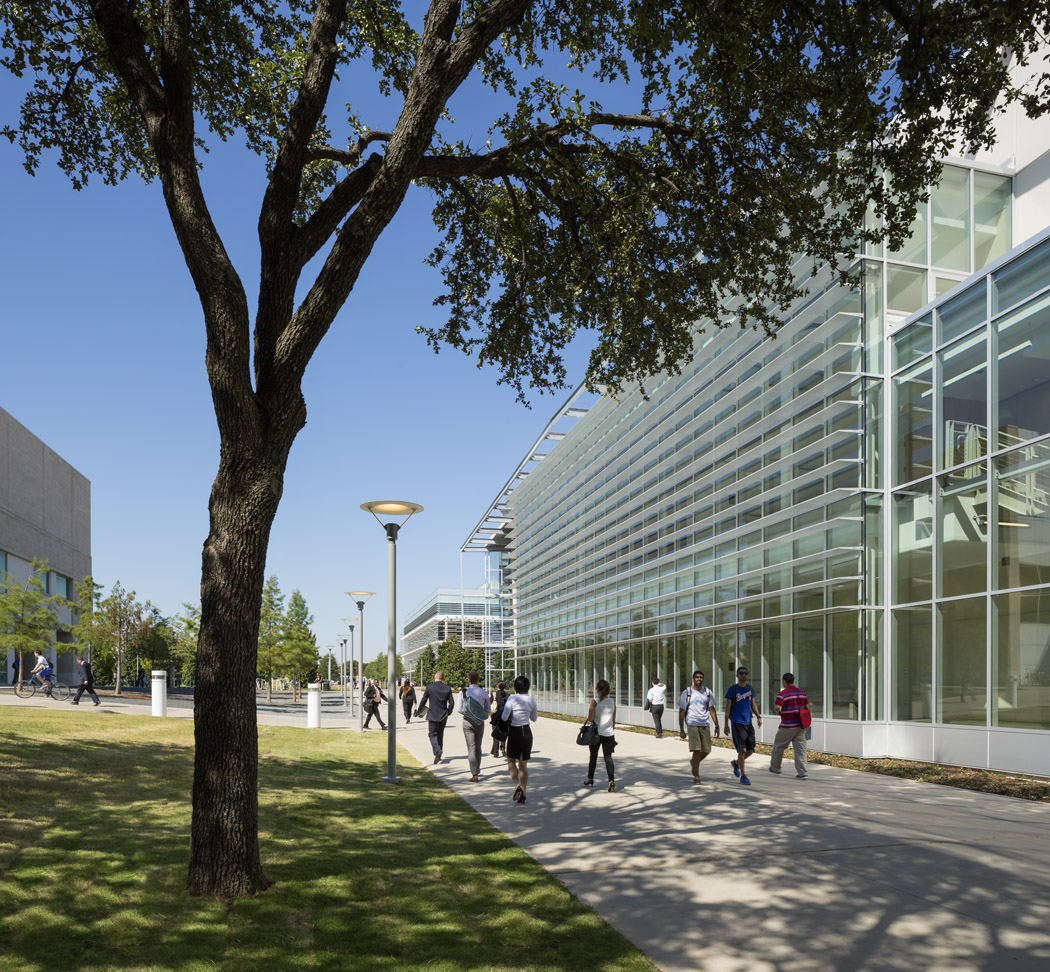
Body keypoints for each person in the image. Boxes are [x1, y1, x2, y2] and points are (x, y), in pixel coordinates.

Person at [678, 670, 721, 784]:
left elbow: (712, 709)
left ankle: (694, 762)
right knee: (697, 750)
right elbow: (681, 712)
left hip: (704, 724)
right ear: (693, 679)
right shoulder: (686, 693)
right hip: (692, 724)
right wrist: (682, 730)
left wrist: (717, 725)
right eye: (697, 677)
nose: (699, 679)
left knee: (707, 750)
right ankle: (696, 775)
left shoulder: (707, 692)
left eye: (701, 677)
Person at [501, 674, 538, 803]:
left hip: (514, 732)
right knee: (523, 764)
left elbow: (504, 717)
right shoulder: (531, 700)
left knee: (511, 761)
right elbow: (534, 718)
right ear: (527, 687)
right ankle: (524, 790)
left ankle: (516, 785)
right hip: (526, 732)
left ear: (515, 687)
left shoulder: (511, 699)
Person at [723, 666, 762, 785]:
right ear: (737, 675)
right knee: (742, 750)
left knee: (750, 751)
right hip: (737, 722)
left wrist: (758, 716)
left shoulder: (750, 689)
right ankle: (743, 776)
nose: (743, 675)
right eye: (741, 673)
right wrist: (726, 725)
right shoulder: (732, 690)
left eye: (745, 673)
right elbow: (727, 708)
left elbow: (753, 705)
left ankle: (736, 763)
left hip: (748, 722)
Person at [769, 672, 810, 779]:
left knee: (779, 746)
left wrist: (780, 714)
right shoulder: (802, 693)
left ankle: (775, 768)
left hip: (787, 725)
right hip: (800, 726)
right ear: (793, 681)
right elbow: (806, 707)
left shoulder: (782, 694)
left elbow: (777, 707)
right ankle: (802, 773)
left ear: (784, 681)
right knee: (801, 749)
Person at [583, 679, 616, 791]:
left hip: (596, 734)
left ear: (597, 689)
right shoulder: (612, 702)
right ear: (608, 690)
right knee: (608, 757)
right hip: (609, 733)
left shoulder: (594, 702)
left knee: (593, 757)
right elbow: (613, 719)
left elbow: (590, 718)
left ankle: (590, 778)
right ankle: (611, 781)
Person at [458, 671, 491, 782]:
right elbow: (488, 710)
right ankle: (477, 767)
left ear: (468, 679)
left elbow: (459, 709)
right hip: (480, 722)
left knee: (471, 747)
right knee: (478, 746)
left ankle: (474, 774)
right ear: (478, 680)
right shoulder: (483, 693)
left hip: (467, 722)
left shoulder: (463, 692)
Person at [417, 670, 454, 763]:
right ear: (443, 678)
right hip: (443, 715)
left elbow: (423, 700)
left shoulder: (430, 687)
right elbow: (452, 702)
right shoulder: (447, 688)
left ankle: (437, 750)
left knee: (432, 734)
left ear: (435, 677)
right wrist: (448, 711)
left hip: (433, 715)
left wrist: (420, 712)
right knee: (440, 734)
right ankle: (439, 753)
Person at [490, 680, 509, 758]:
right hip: (505, 717)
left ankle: (495, 752)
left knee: (495, 733)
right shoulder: (508, 695)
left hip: (495, 717)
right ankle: (503, 749)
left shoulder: (494, 694)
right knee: (504, 733)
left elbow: (488, 703)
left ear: (498, 686)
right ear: (505, 687)